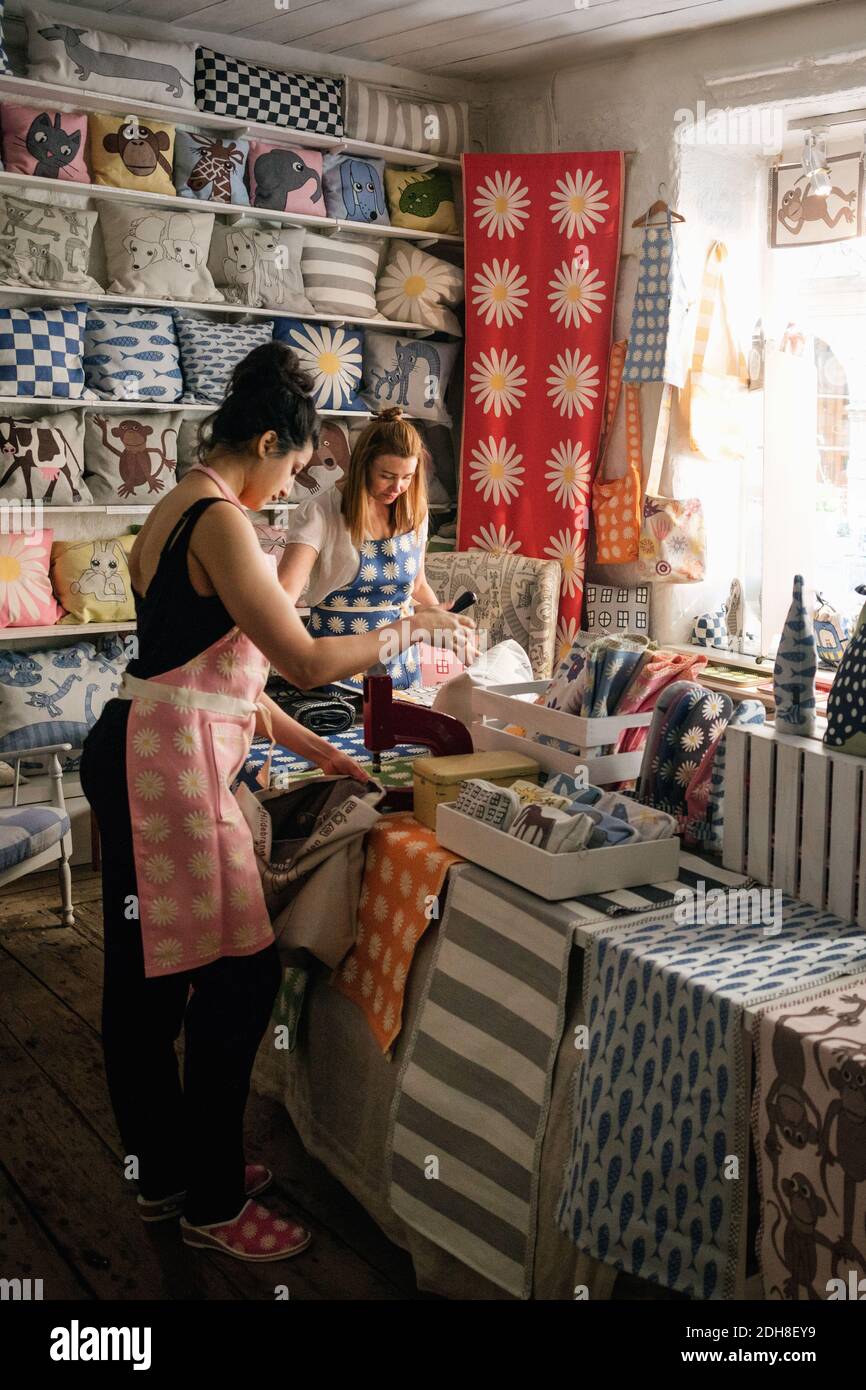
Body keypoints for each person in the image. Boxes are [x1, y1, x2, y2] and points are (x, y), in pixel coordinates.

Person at [79, 342, 475, 1263]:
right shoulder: (219, 521)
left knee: (154, 984)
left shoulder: (179, 504)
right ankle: (209, 1199)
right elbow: (299, 661)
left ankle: (169, 1172)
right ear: (265, 440)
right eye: (294, 465)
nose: (289, 484)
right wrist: (395, 635)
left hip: (152, 747)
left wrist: (322, 759)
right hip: (164, 768)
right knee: (234, 975)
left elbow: (237, 685)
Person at [278, 408, 445, 691]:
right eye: (387, 475)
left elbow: (417, 586)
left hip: (401, 666)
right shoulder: (320, 512)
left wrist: (447, 622)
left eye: (408, 477)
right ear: (363, 465)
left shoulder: (415, 512)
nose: (398, 487)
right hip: (337, 663)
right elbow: (284, 593)